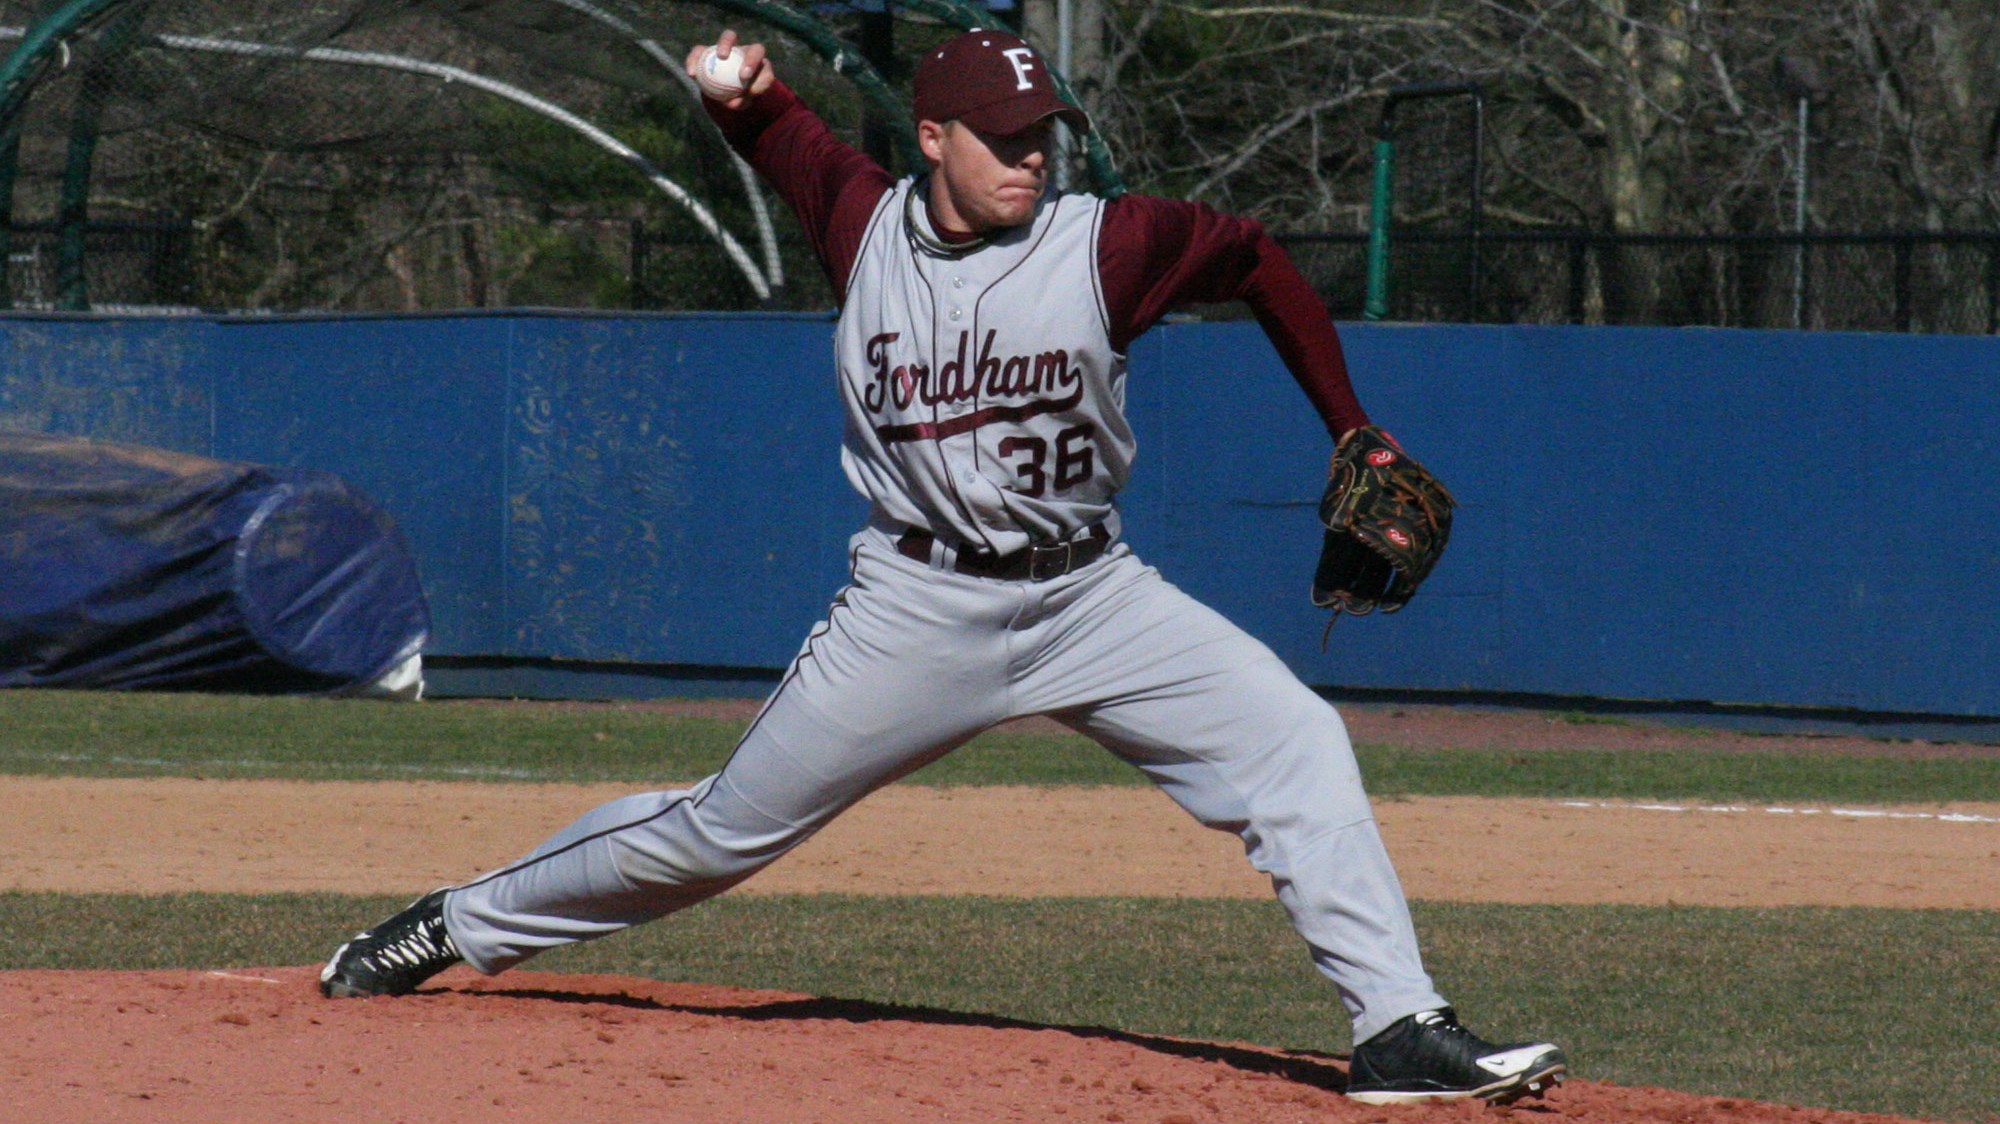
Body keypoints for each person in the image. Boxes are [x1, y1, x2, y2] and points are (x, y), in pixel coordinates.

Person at [318, 27, 1566, 1105]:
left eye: (1044, 134)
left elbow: (1254, 258)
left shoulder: (1109, 243)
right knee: (713, 836)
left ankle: (1394, 1025)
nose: (1031, 154)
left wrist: (1349, 423)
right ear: (933, 137)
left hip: (1091, 595)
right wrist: (732, 88)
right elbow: (775, 129)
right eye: (1004, 134)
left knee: (1294, 740)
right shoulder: (862, 225)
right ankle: (456, 920)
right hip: (914, 606)